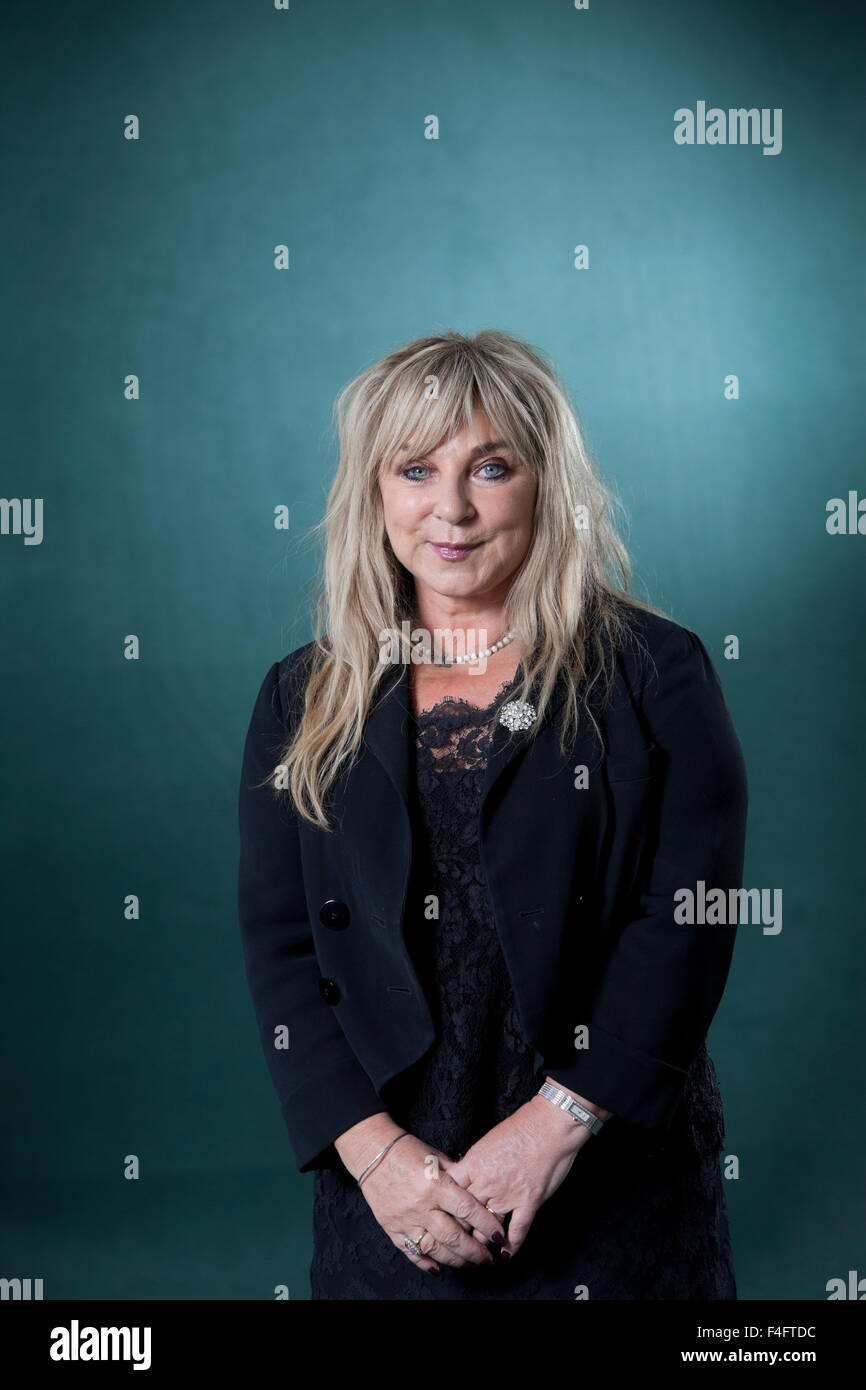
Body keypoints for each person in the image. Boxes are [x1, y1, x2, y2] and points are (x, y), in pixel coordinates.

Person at [237, 328, 749, 1299]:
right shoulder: (300, 698)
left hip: (610, 1180)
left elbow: (685, 920)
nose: (452, 508)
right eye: (417, 469)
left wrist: (556, 1127)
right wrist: (377, 1156)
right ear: (374, 491)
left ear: (544, 483)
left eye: (492, 467)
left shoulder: (654, 675)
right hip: (390, 1194)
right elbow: (281, 951)